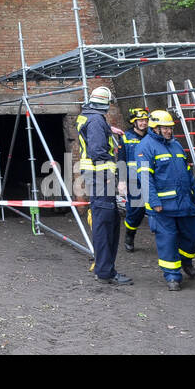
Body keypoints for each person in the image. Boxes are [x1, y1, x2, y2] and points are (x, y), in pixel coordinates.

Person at [135, 110, 195, 290]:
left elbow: (187, 175)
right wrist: (154, 202)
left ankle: (185, 260)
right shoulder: (144, 147)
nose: (168, 131)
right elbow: (145, 178)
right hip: (163, 207)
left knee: (193, 236)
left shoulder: (176, 145)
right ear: (155, 128)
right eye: (165, 128)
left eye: (170, 128)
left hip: (185, 203)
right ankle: (172, 276)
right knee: (168, 240)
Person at [77, 85, 131, 285]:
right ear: (106, 104)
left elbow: (89, 133)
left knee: (105, 221)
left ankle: (104, 268)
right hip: (101, 178)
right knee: (106, 224)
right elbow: (98, 150)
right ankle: (105, 271)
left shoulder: (87, 116)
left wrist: (109, 129)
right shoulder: (97, 121)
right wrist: (109, 177)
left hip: (95, 178)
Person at [120, 107, 150, 252]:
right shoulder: (126, 137)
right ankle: (130, 235)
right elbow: (121, 160)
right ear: (134, 122)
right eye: (141, 120)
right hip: (134, 180)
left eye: (145, 120)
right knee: (136, 210)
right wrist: (121, 181)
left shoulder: (152, 136)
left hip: (151, 179)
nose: (144, 123)